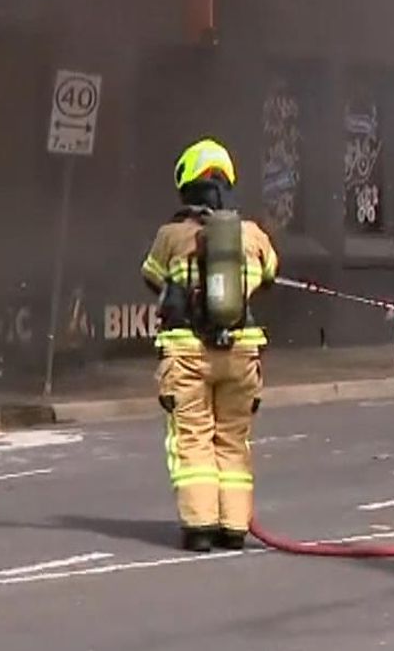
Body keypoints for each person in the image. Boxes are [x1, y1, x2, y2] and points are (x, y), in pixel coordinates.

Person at [140, 138, 279, 552]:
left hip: (186, 353)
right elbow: (271, 273)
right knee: (233, 439)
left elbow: (151, 276)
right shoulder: (252, 235)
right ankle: (234, 528)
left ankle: (200, 528)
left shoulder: (171, 235)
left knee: (193, 438)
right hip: (241, 353)